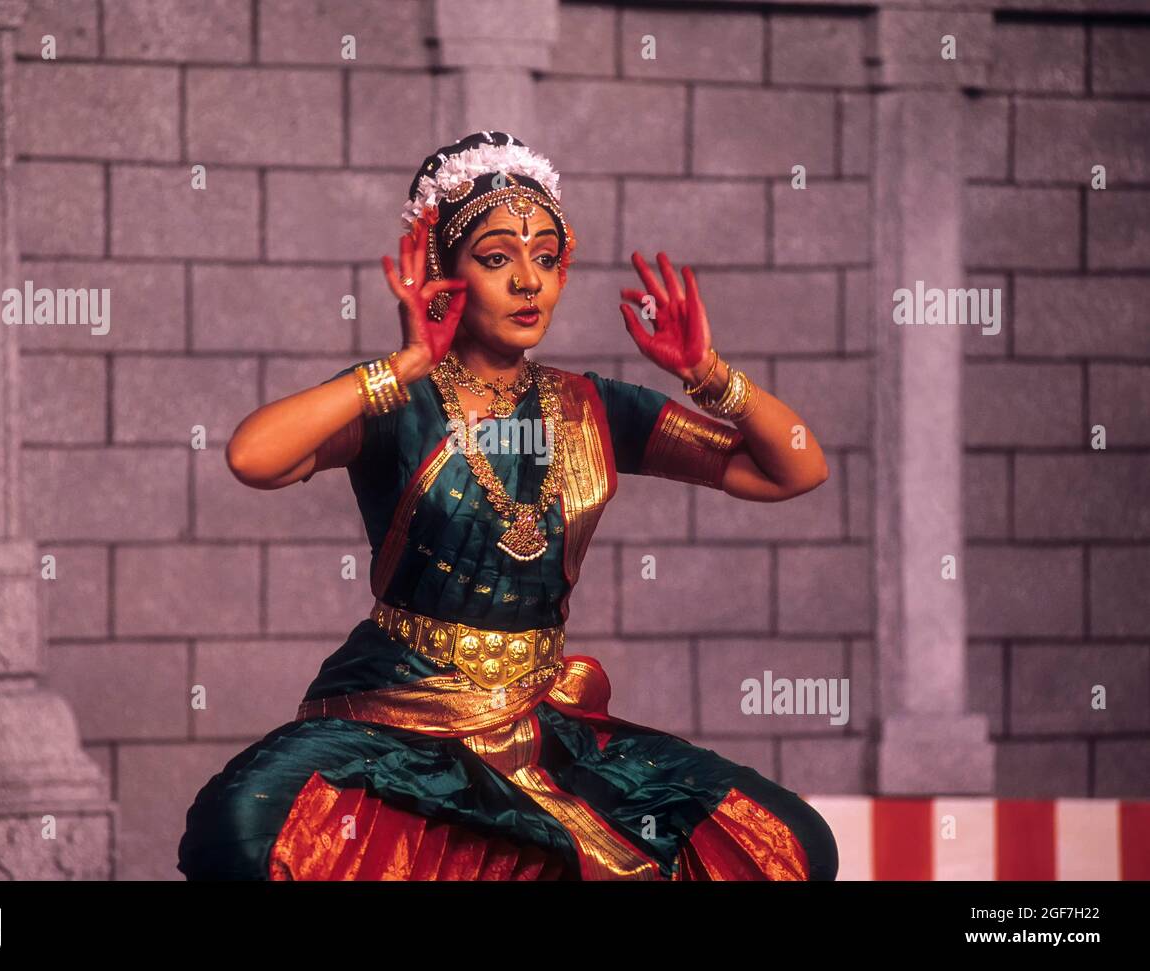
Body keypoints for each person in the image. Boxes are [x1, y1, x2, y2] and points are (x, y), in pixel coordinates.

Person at [177, 131, 839, 881]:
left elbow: (795, 468)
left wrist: (708, 373)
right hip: (401, 716)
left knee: (789, 842)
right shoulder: (399, 402)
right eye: (497, 259)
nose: (529, 282)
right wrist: (403, 364)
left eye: (546, 259)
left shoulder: (590, 407)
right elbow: (252, 456)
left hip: (543, 720)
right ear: (442, 273)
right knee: (244, 828)